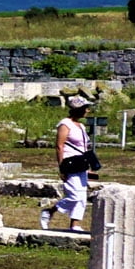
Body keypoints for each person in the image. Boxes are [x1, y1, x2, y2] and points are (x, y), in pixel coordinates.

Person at [44, 94, 99, 230]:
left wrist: (89, 167)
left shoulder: (81, 126)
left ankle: (75, 225)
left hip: (81, 163)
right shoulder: (65, 124)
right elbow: (59, 146)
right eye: (86, 108)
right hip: (70, 163)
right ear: (78, 109)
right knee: (74, 195)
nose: (88, 111)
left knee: (82, 195)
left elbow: (85, 147)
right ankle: (50, 211)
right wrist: (62, 167)